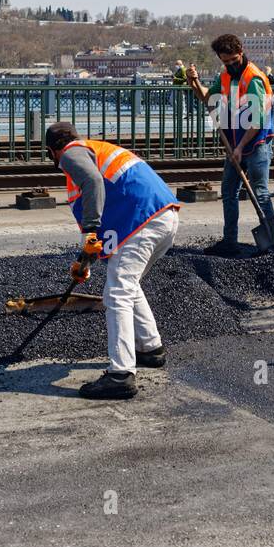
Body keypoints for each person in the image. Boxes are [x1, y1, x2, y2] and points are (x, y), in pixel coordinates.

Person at [45, 121, 181, 400]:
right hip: (163, 217)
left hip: (143, 220)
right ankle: (150, 348)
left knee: (117, 293)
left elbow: (93, 184)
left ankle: (120, 375)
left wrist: (90, 229)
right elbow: (104, 206)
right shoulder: (96, 151)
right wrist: (85, 262)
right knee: (128, 286)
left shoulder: (71, 154)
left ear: (52, 151)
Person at [185, 34, 274, 256]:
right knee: (228, 192)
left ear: (241, 51)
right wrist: (194, 82)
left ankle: (271, 244)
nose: (230, 65)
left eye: (234, 60)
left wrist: (239, 148)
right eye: (226, 62)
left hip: (256, 143)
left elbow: (257, 120)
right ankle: (230, 242)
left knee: (261, 193)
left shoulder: (254, 79)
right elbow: (209, 99)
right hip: (235, 143)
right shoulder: (226, 75)